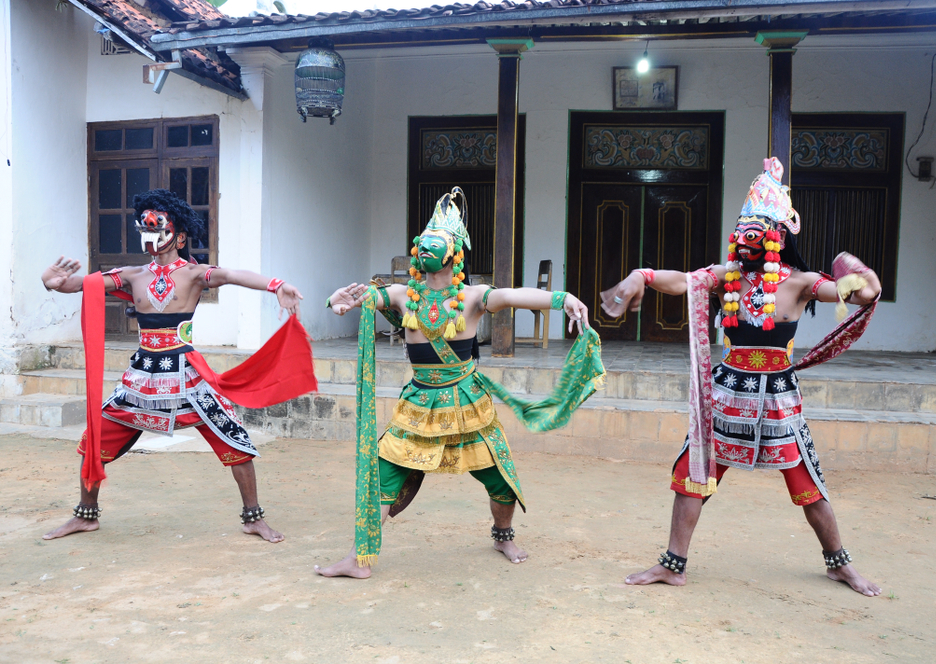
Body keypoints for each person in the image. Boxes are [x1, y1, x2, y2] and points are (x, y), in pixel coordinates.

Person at [602, 158, 882, 596]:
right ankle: (673, 565)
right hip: (728, 392)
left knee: (806, 481)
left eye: (758, 232)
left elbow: (864, 294)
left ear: (778, 237)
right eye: (743, 231)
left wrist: (853, 267)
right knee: (694, 472)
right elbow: (682, 282)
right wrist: (642, 275)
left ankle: (839, 564)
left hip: (777, 399)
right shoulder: (727, 276)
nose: (746, 241)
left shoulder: (801, 282)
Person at [316, 187, 605, 578]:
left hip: (467, 402)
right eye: (425, 243)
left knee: (499, 477)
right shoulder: (404, 295)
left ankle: (503, 535)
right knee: (383, 472)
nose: (428, 250)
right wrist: (335, 301)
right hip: (419, 403)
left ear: (454, 255)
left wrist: (563, 298)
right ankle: (358, 556)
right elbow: (360, 299)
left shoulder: (472, 297)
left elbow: (514, 294)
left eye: (438, 244)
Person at [40, 188, 314, 543]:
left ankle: (253, 518)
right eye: (145, 227)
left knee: (234, 439)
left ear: (179, 235)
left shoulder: (195, 274)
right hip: (141, 378)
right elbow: (80, 284)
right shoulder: (133, 274)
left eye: (158, 226)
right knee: (95, 439)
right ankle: (86, 514)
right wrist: (52, 283)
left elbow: (233, 274)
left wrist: (277, 285)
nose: (151, 234)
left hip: (187, 376)